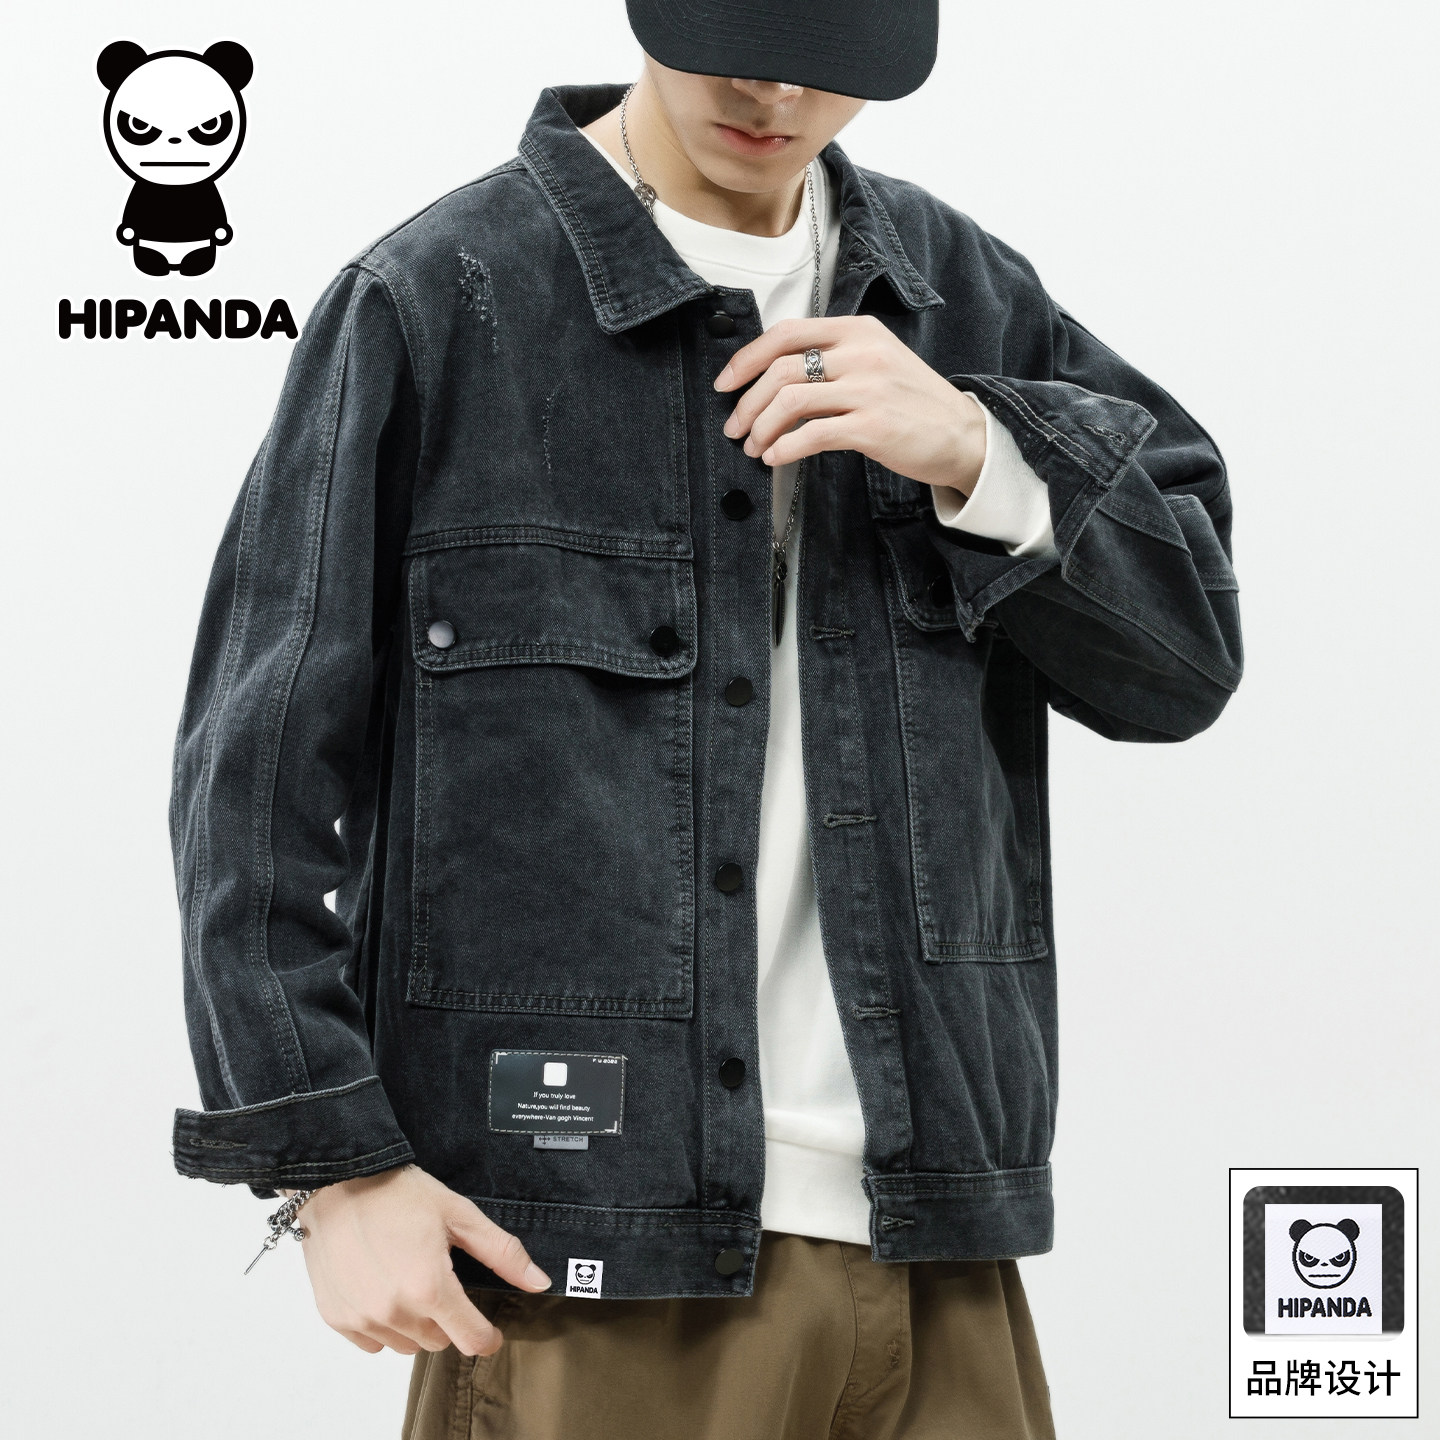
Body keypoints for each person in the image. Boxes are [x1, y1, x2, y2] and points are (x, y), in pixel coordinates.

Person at [167, 2, 1242, 1436]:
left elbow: (1181, 666)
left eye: (831, 59)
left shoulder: (962, 299)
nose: (777, 89)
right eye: (737, 30)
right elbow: (253, 778)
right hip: (593, 1258)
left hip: (937, 1238)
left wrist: (977, 450)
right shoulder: (437, 299)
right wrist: (332, 1167)